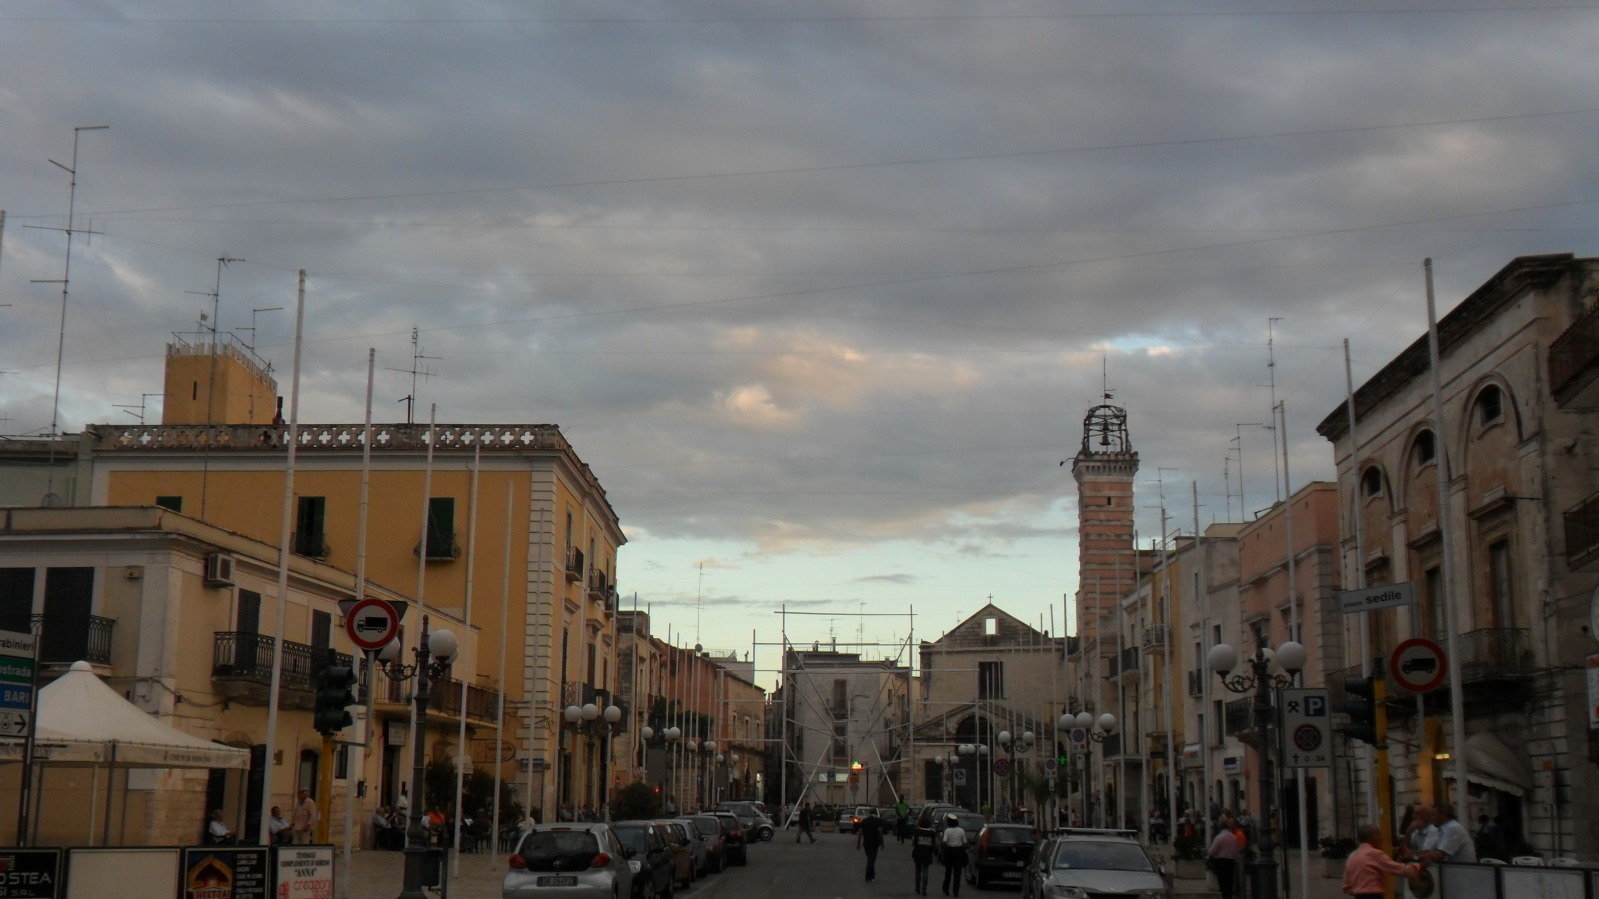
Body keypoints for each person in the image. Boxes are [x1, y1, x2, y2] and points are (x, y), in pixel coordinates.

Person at [1343, 823, 1423, 899]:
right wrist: (1416, 867)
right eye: (1378, 835)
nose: (1381, 838)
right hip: (1373, 896)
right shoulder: (1374, 853)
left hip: (1358, 896)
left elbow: (1347, 883)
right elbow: (1395, 868)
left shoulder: (1352, 856)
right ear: (1369, 838)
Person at [1207, 819, 1241, 899]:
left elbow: (1212, 852)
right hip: (1231, 862)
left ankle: (1225, 897)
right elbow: (1236, 851)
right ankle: (1229, 896)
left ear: (1220, 827)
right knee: (1230, 882)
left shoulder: (1219, 837)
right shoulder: (1233, 837)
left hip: (1221, 862)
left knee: (1223, 883)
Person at [939, 813, 968, 897]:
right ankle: (956, 891)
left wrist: (944, 848)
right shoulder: (961, 831)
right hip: (958, 852)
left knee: (948, 872)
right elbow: (964, 842)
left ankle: (946, 889)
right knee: (957, 873)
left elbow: (944, 841)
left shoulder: (947, 831)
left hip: (949, 852)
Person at [910, 818, 938, 896]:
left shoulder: (916, 831)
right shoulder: (932, 833)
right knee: (925, 870)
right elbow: (934, 844)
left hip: (918, 853)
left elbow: (913, 843)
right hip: (927, 854)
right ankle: (924, 889)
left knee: (918, 871)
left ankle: (917, 888)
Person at [856, 810, 885, 883]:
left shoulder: (864, 821)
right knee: (871, 860)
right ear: (875, 813)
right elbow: (880, 832)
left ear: (869, 813)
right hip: (875, 843)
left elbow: (860, 833)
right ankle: (869, 877)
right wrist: (882, 842)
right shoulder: (878, 821)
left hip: (866, 843)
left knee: (870, 858)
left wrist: (858, 843)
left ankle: (871, 876)